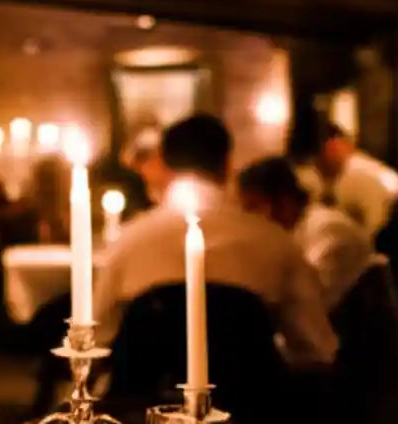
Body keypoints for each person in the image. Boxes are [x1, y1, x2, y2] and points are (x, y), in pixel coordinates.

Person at [93, 114, 337, 367]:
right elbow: (316, 347)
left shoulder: (129, 241)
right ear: (228, 164)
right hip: (249, 401)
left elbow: (97, 340)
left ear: (164, 164)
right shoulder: (275, 242)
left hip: (145, 400)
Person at [237, 156, 373, 310]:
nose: (249, 219)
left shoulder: (328, 229)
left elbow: (308, 300)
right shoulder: (293, 232)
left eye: (253, 208)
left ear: (284, 201)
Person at [298, 123, 398, 236]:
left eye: (318, 160)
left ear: (331, 146)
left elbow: (376, 229)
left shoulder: (353, 177)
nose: (317, 168)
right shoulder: (367, 167)